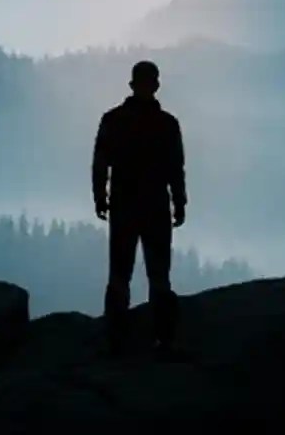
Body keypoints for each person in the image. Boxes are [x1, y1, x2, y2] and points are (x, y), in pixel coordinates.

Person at [92, 60, 186, 355]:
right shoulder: (167, 124)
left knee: (121, 274)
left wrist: (100, 196)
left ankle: (116, 339)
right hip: (155, 206)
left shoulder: (113, 120)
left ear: (132, 84)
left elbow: (100, 163)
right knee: (157, 275)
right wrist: (179, 201)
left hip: (124, 205)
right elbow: (175, 168)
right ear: (156, 85)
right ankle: (163, 339)